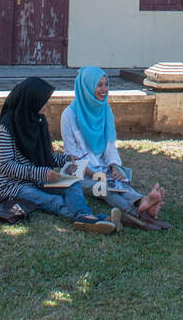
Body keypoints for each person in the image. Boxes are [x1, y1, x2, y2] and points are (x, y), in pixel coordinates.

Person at [0, 76, 122, 236]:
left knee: (73, 184)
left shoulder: (37, 121)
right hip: (15, 186)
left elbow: (44, 156)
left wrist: (66, 159)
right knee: (54, 201)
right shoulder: (7, 127)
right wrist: (41, 173)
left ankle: (87, 218)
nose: (47, 104)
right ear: (31, 100)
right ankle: (97, 219)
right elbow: (5, 166)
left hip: (39, 179)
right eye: (44, 101)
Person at [61, 66, 170, 230]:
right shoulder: (69, 115)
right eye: (99, 85)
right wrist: (96, 174)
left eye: (106, 84)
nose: (104, 90)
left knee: (120, 184)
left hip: (104, 169)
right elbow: (72, 156)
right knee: (104, 189)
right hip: (79, 174)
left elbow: (110, 144)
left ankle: (142, 204)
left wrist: (114, 166)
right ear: (86, 87)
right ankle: (140, 215)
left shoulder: (105, 110)